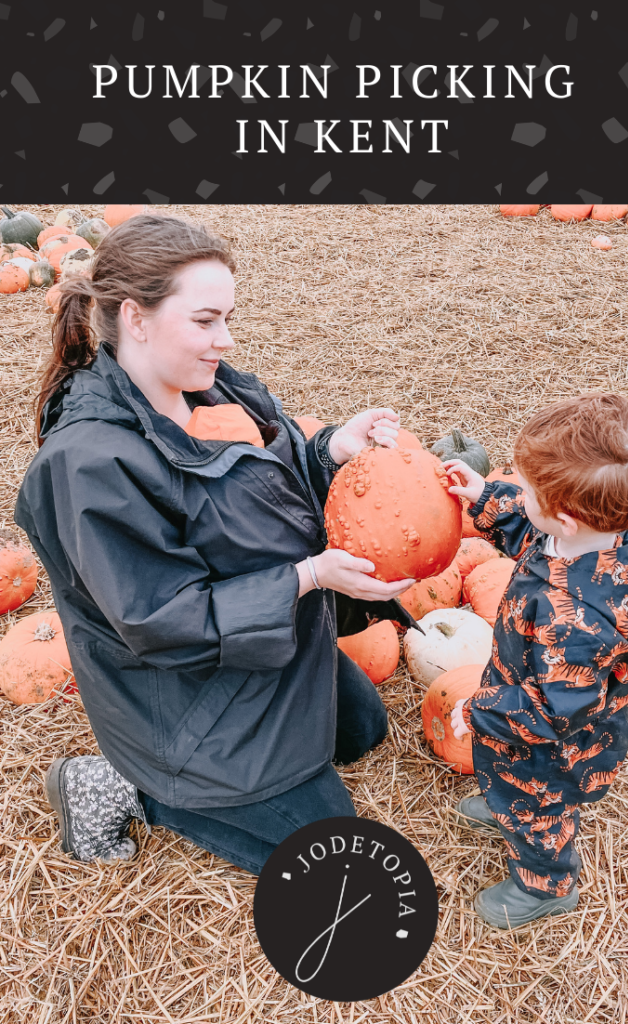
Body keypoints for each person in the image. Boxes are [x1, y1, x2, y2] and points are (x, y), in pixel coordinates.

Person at [13, 214, 415, 873]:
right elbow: (161, 621)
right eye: (204, 320)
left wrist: (330, 451)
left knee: (361, 729)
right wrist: (307, 578)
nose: (224, 339)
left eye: (226, 317)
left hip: (265, 643)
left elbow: (264, 488)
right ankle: (125, 786)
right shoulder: (88, 465)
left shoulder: (207, 386)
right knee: (342, 867)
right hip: (184, 693)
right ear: (135, 317)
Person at [444, 393, 628, 929]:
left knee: (539, 806)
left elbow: (550, 710)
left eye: (523, 488)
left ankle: (545, 884)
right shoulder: (593, 538)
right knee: (510, 779)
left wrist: (480, 710)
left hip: (555, 742)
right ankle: (506, 801)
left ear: (565, 518)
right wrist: (484, 498)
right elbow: (530, 534)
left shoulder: (577, 624)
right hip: (534, 687)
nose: (516, 490)